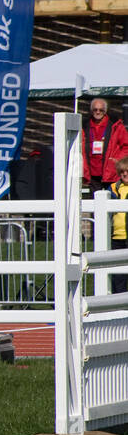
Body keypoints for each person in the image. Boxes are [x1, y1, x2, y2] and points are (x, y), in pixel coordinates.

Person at [86, 98, 128, 192]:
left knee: (112, 201)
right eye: (95, 110)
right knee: (95, 202)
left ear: (105, 111)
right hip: (92, 172)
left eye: (101, 110)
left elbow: (126, 145)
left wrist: (117, 159)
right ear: (91, 111)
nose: (98, 112)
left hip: (111, 172)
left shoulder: (115, 125)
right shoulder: (85, 125)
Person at [111, 157, 128, 294]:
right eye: (122, 171)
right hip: (117, 236)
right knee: (118, 274)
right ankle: (118, 307)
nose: (125, 174)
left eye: (127, 171)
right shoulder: (113, 188)